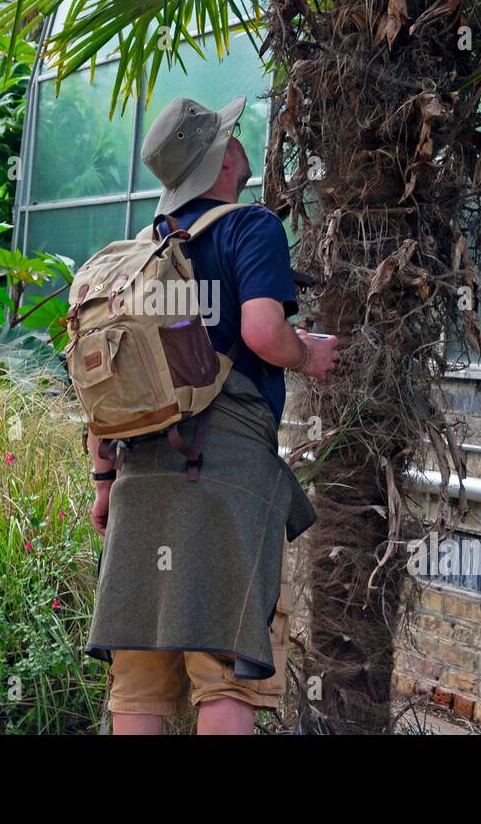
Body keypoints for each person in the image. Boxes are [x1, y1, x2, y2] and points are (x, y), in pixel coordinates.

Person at [84, 94, 340, 735]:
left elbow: (107, 379)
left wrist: (104, 480)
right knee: (223, 674)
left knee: (138, 683)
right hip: (225, 475)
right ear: (224, 158)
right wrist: (307, 354)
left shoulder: (137, 252)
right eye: (232, 135)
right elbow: (261, 331)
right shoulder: (249, 227)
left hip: (140, 477)